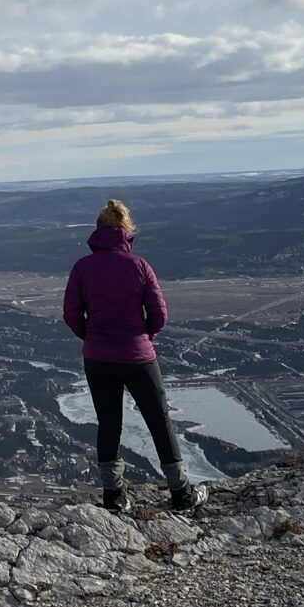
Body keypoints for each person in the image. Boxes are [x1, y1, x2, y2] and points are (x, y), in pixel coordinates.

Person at [62, 199, 208, 513]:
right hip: (138, 356)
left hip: (98, 358)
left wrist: (92, 336)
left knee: (109, 423)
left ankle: (113, 496)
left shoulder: (81, 268)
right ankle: (181, 493)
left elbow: (72, 315)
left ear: (98, 231)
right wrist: (145, 336)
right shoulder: (140, 267)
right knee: (159, 421)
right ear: (127, 232)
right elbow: (159, 315)